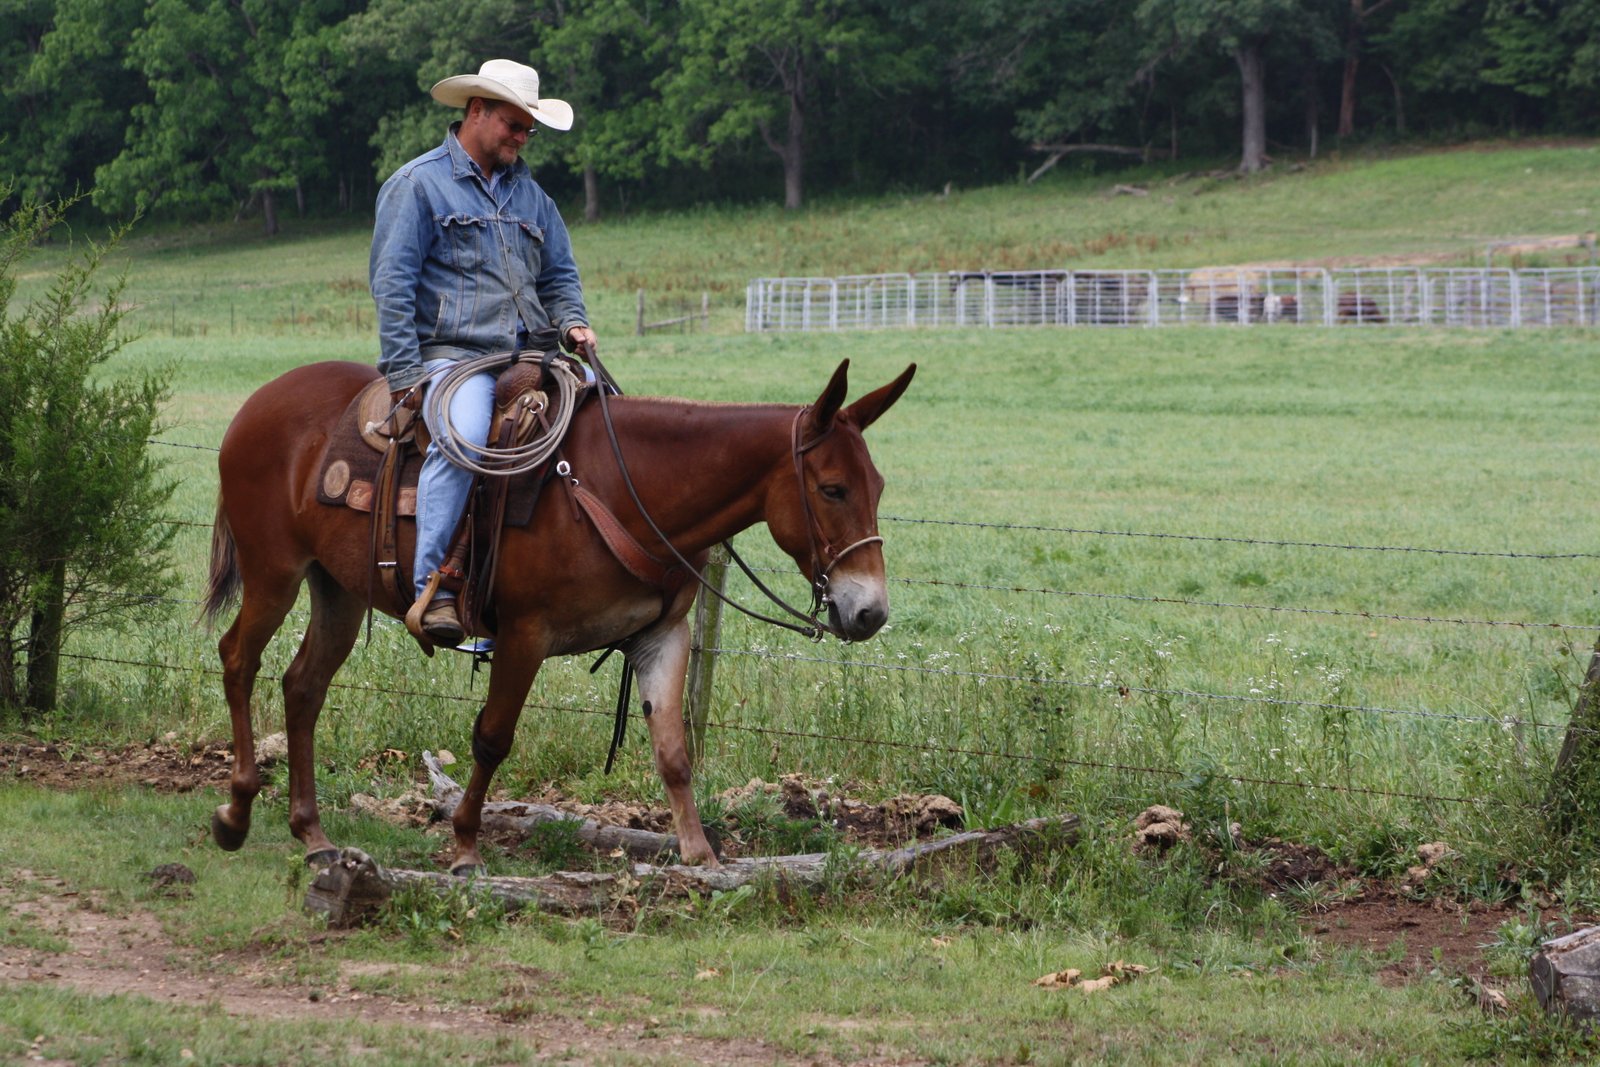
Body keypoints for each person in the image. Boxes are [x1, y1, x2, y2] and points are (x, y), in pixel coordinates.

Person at [370, 59, 599, 646]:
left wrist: (573, 323)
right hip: (455, 358)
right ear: (476, 111)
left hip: (533, 355)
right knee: (466, 440)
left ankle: (542, 585)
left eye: (529, 130)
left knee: (603, 425)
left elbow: (560, 276)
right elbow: (393, 285)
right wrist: (404, 375)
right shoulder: (417, 185)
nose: (522, 139)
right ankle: (437, 589)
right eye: (513, 126)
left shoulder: (533, 196)